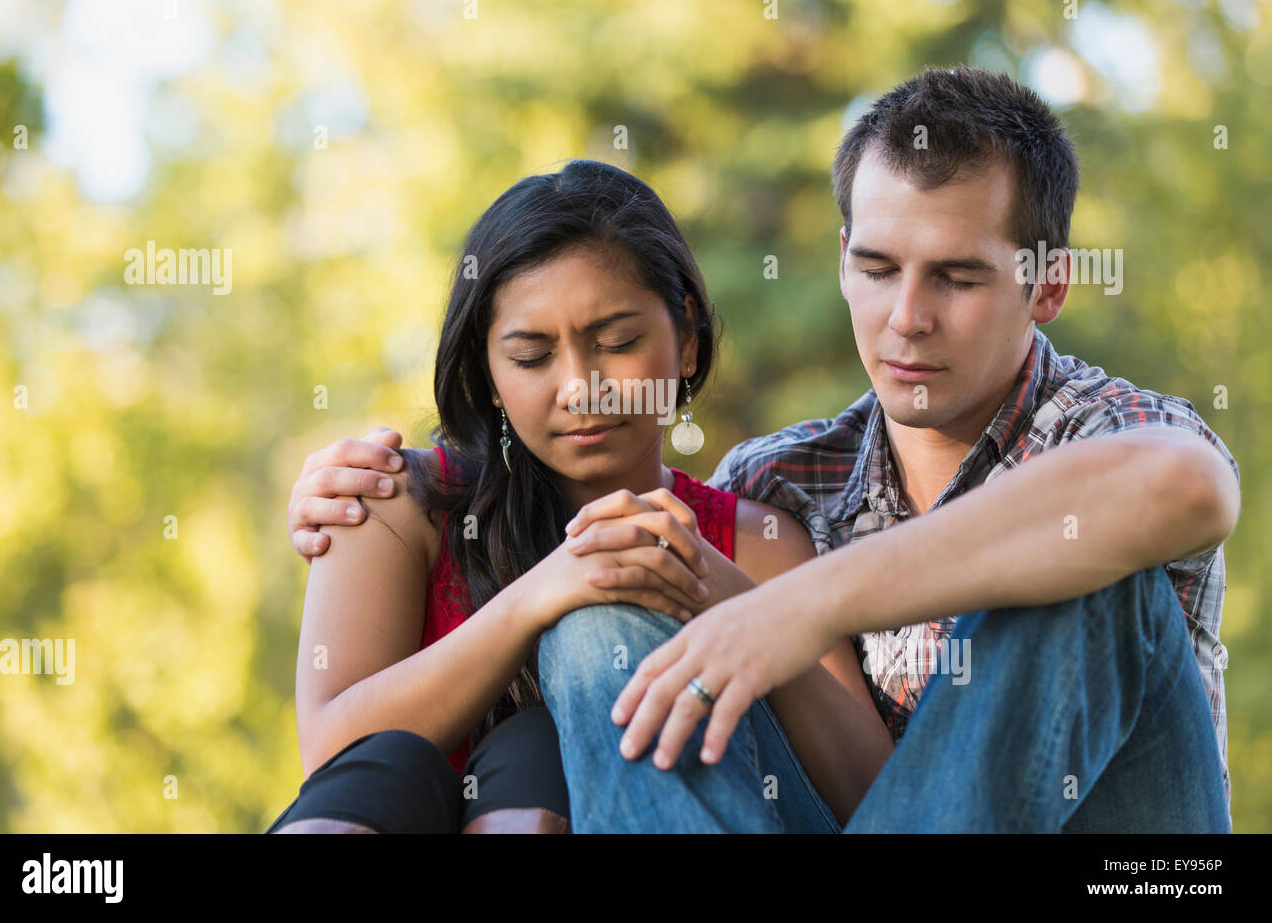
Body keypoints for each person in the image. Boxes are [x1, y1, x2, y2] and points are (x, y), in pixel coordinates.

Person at [290, 68, 1240, 833]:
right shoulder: (778, 480)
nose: (907, 319)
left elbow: (1185, 485)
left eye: (956, 277)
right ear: (841, 262)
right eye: (877, 270)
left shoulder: (1100, 429)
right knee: (610, 621)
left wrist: (800, 607)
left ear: (1047, 287)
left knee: (1094, 573)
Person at [271, 158, 893, 834]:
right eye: (532, 356)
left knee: (537, 747)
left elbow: (877, 802)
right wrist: (540, 596)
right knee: (422, 761)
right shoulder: (396, 500)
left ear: (685, 338)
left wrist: (729, 597)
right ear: (488, 367)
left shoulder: (757, 542)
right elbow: (335, 760)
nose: (580, 387)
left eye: (617, 342)